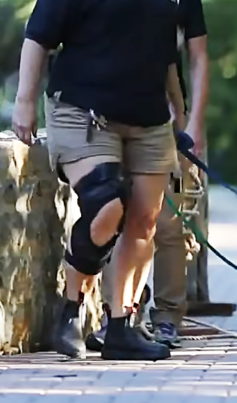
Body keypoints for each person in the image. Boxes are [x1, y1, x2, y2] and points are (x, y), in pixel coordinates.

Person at [12, 0, 182, 361]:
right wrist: (24, 101)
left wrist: (178, 112)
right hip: (82, 111)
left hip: (149, 119)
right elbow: (37, 37)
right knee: (107, 202)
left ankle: (120, 327)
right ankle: (72, 310)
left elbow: (166, 54)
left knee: (143, 222)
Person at [85, 0, 210, 351]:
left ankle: (168, 317)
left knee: (168, 223)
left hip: (165, 117)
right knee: (118, 217)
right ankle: (119, 318)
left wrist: (190, 122)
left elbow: (193, 58)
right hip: (110, 115)